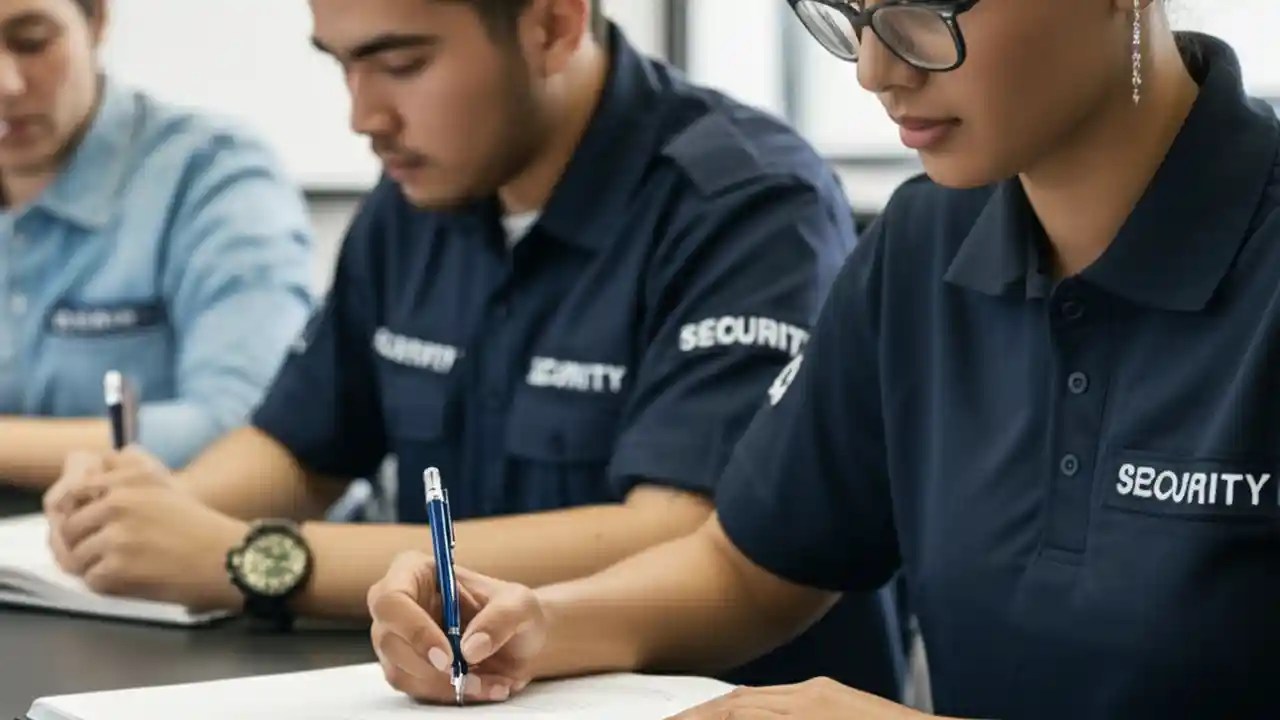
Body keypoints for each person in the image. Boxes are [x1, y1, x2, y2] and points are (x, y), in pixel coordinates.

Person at [364, 0, 1280, 718]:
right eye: (852, 14)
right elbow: (752, 565)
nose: (878, 70)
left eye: (928, 8)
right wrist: (535, 624)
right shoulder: (921, 246)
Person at [42, 0, 906, 699]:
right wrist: (151, 516)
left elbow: (682, 534)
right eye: (340, 64)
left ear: (551, 25)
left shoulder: (746, 202)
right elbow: (297, 448)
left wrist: (259, 563)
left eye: (401, 63)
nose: (362, 116)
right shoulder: (417, 191)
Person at [0, 0, 314, 489]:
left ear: (97, 20)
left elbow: (250, 427)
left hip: (190, 543)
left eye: (33, 42)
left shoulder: (212, 174)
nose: (7, 84)